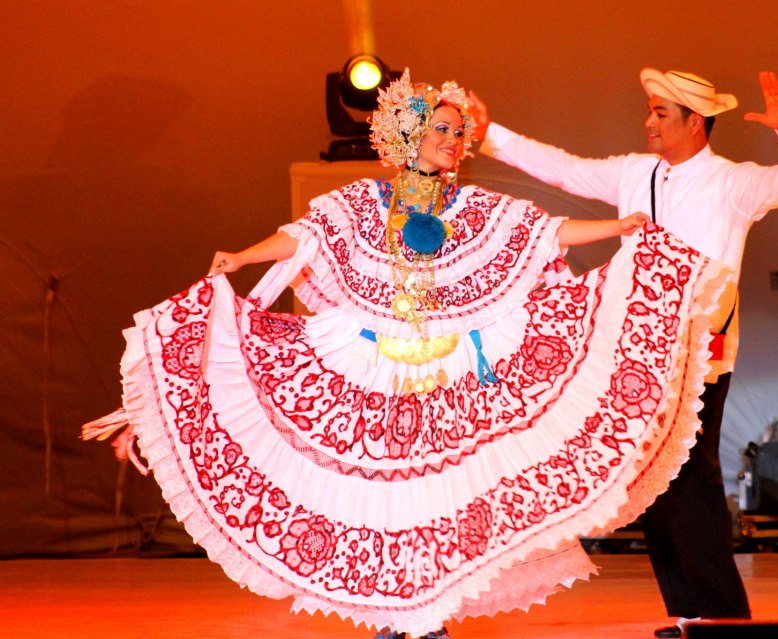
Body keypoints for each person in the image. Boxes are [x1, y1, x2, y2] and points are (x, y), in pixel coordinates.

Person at [83, 70, 734, 639]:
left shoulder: (477, 207)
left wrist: (619, 229)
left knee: (433, 504)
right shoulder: (362, 202)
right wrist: (245, 257)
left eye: (458, 132)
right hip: (373, 371)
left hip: (449, 374)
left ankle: (426, 615)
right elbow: (304, 236)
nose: (454, 141)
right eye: (441, 130)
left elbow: (543, 232)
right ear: (408, 137)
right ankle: (398, 617)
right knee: (382, 504)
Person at [469, 68, 778, 638]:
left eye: (660, 113)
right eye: (649, 110)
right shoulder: (635, 173)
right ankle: (688, 610)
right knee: (652, 478)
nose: (648, 121)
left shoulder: (731, 183)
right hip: (639, 353)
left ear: (695, 123)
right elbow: (561, 167)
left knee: (691, 475)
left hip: (702, 350)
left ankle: (721, 615)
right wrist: (490, 135)